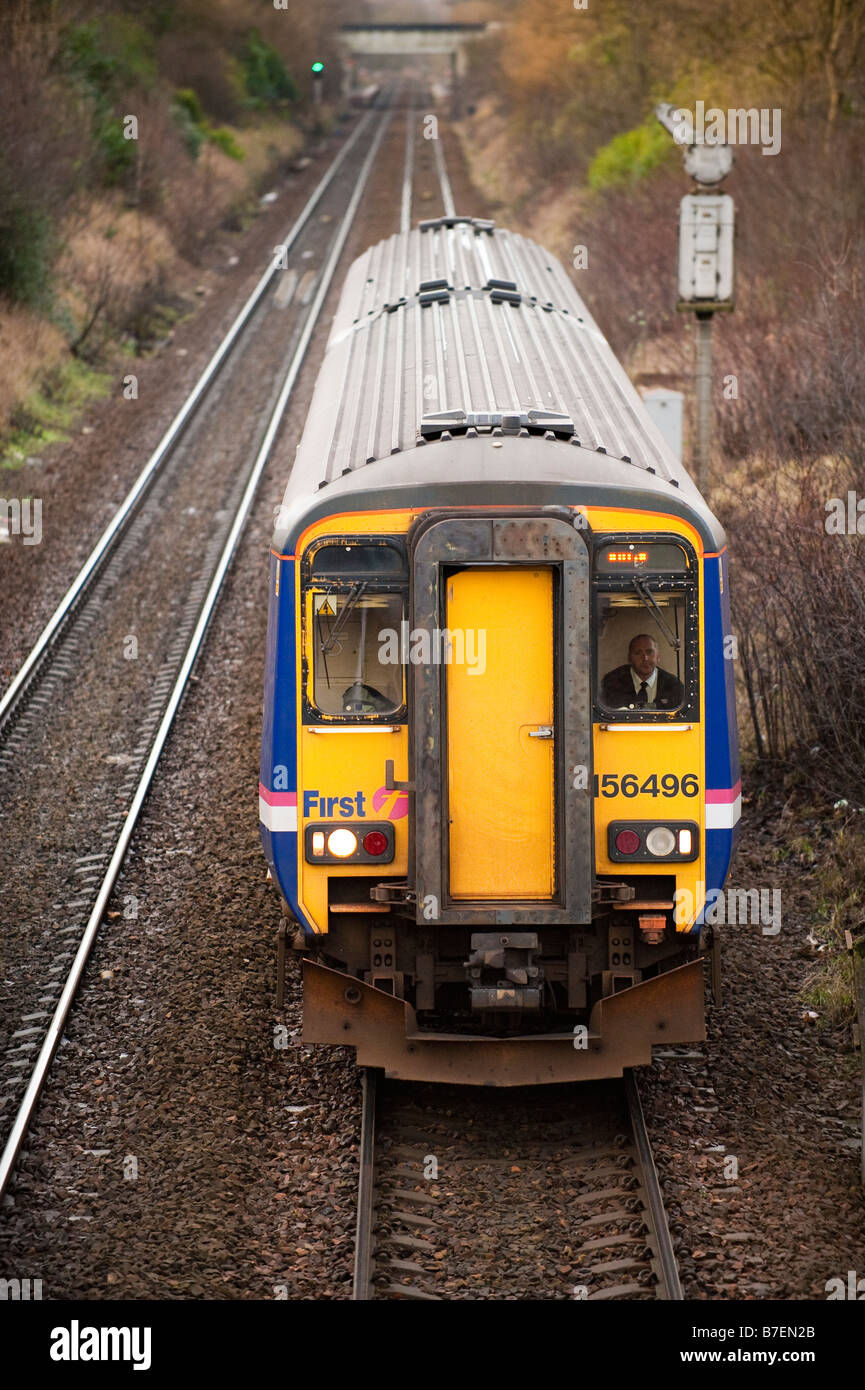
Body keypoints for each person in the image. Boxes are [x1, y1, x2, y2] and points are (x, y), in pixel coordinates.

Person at [601, 634, 684, 710]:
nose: (645, 658)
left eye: (649, 652)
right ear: (629, 658)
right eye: (638, 653)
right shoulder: (611, 682)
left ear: (658, 656)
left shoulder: (674, 685)